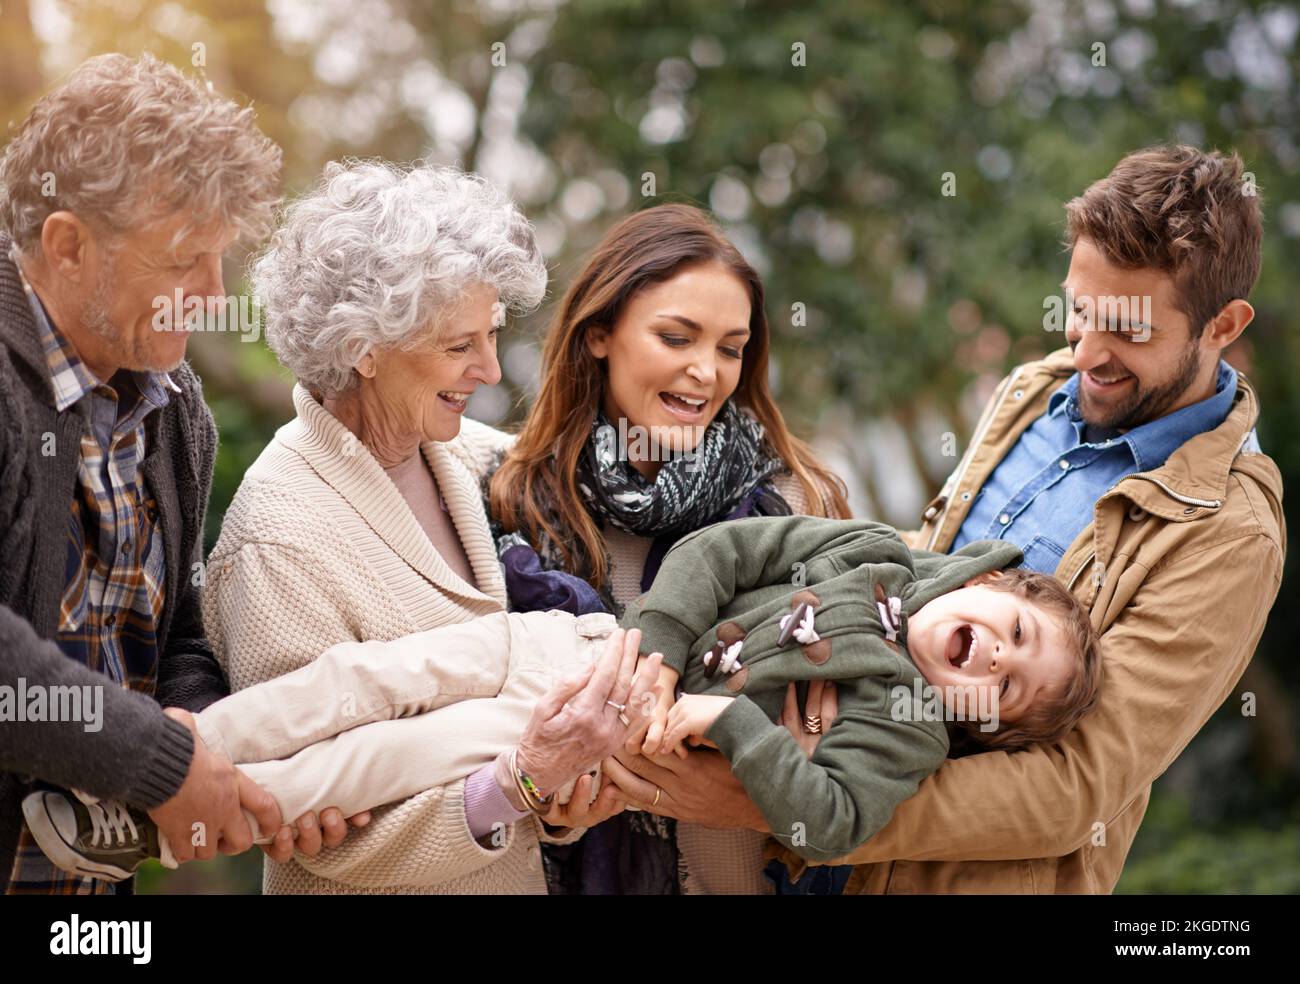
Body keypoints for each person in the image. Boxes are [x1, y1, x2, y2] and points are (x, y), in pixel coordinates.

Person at [608, 145, 1287, 895]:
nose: (1086, 350)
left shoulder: (1232, 533)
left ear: (1223, 324)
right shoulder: (1036, 390)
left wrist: (788, 799)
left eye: (1129, 332)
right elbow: (931, 573)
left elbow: (1073, 791)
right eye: (1080, 310)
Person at [27, 514, 1103, 882]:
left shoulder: (899, 739)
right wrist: (659, 644)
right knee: (372, 677)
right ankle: (165, 749)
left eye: (1003, 690)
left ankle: (143, 825)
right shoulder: (871, 553)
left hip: (591, 739)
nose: (989, 659)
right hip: (582, 647)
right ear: (985, 585)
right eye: (1008, 631)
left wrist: (730, 722)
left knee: (389, 760)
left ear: (981, 726)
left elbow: (826, 822)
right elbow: (726, 552)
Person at [163, 159, 641, 895]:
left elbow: (519, 735)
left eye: (491, 335)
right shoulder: (279, 535)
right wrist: (519, 785)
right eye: (460, 345)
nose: (488, 368)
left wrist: (556, 794)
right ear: (364, 350)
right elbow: (317, 831)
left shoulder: (477, 458)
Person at [485, 203, 852, 893]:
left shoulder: (796, 501)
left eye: (729, 348)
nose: (706, 373)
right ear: (599, 334)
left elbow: (851, 731)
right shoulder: (520, 510)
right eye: (676, 338)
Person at [0, 52, 293, 894]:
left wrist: (211, 742)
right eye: (182, 260)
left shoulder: (175, 408)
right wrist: (162, 762)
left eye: (221, 258)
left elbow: (182, 634)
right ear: (67, 245)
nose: (212, 293)